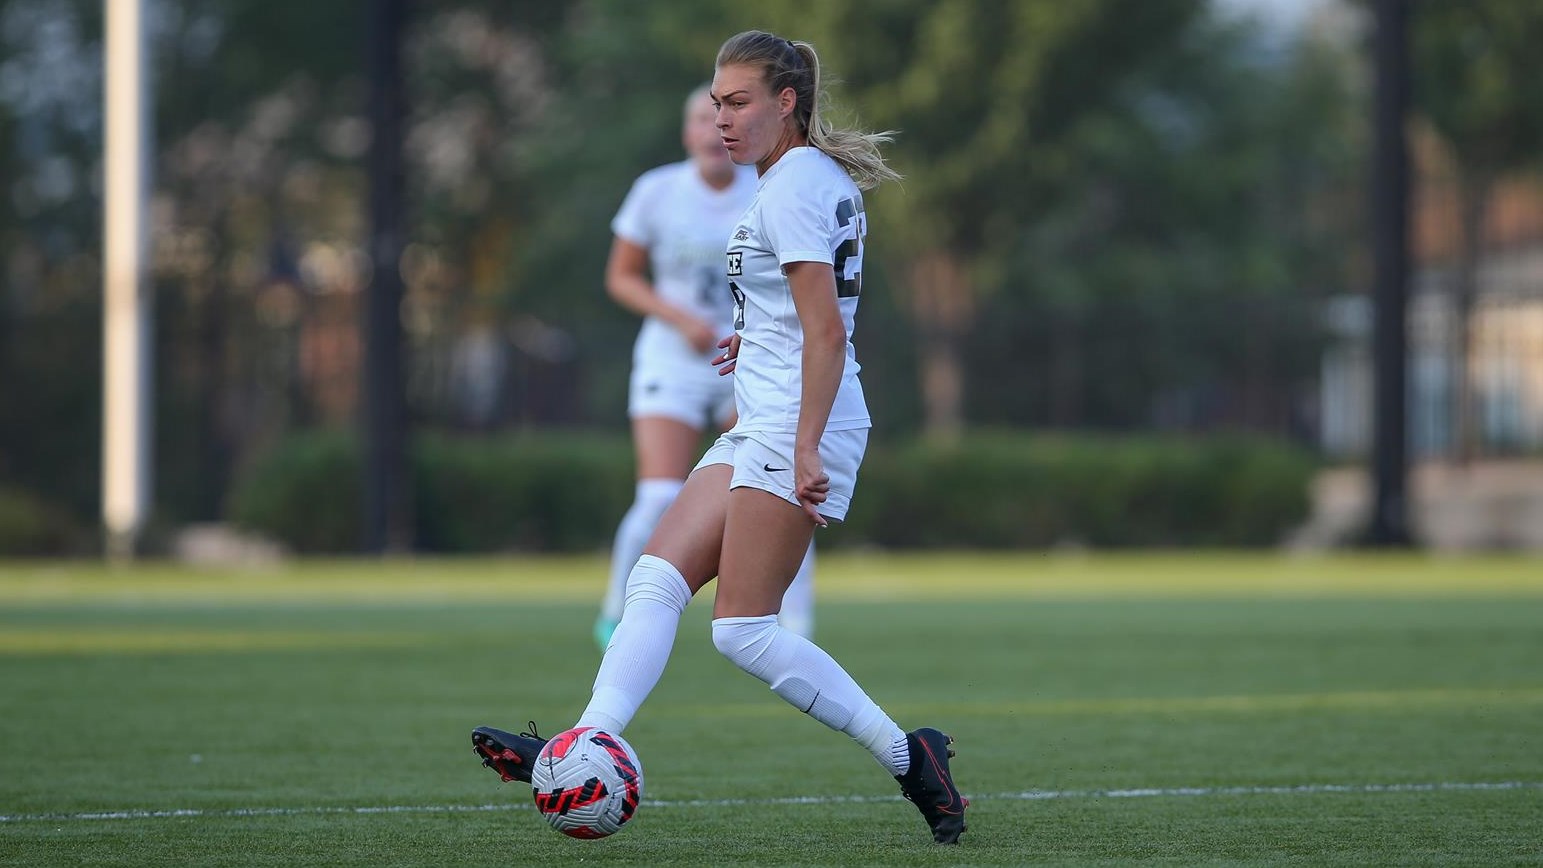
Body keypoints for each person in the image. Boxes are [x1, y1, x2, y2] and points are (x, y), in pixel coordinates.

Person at [473, 30, 967, 844]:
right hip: (768, 413)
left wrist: (805, 445)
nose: (721, 120)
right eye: (715, 105)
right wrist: (757, 335)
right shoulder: (797, 176)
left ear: (785, 102)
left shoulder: (792, 185)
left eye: (737, 104)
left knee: (742, 631)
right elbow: (803, 311)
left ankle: (910, 758)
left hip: (795, 422)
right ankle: (585, 740)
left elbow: (827, 333)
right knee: (653, 582)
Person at [595, 84, 817, 651]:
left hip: (748, 362)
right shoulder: (657, 191)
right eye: (702, 117)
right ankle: (617, 612)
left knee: (778, 488)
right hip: (673, 360)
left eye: (727, 112)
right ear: (687, 131)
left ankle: (794, 623)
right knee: (657, 496)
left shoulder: (766, 189)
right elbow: (621, 277)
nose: (715, 127)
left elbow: (796, 280)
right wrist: (679, 319)